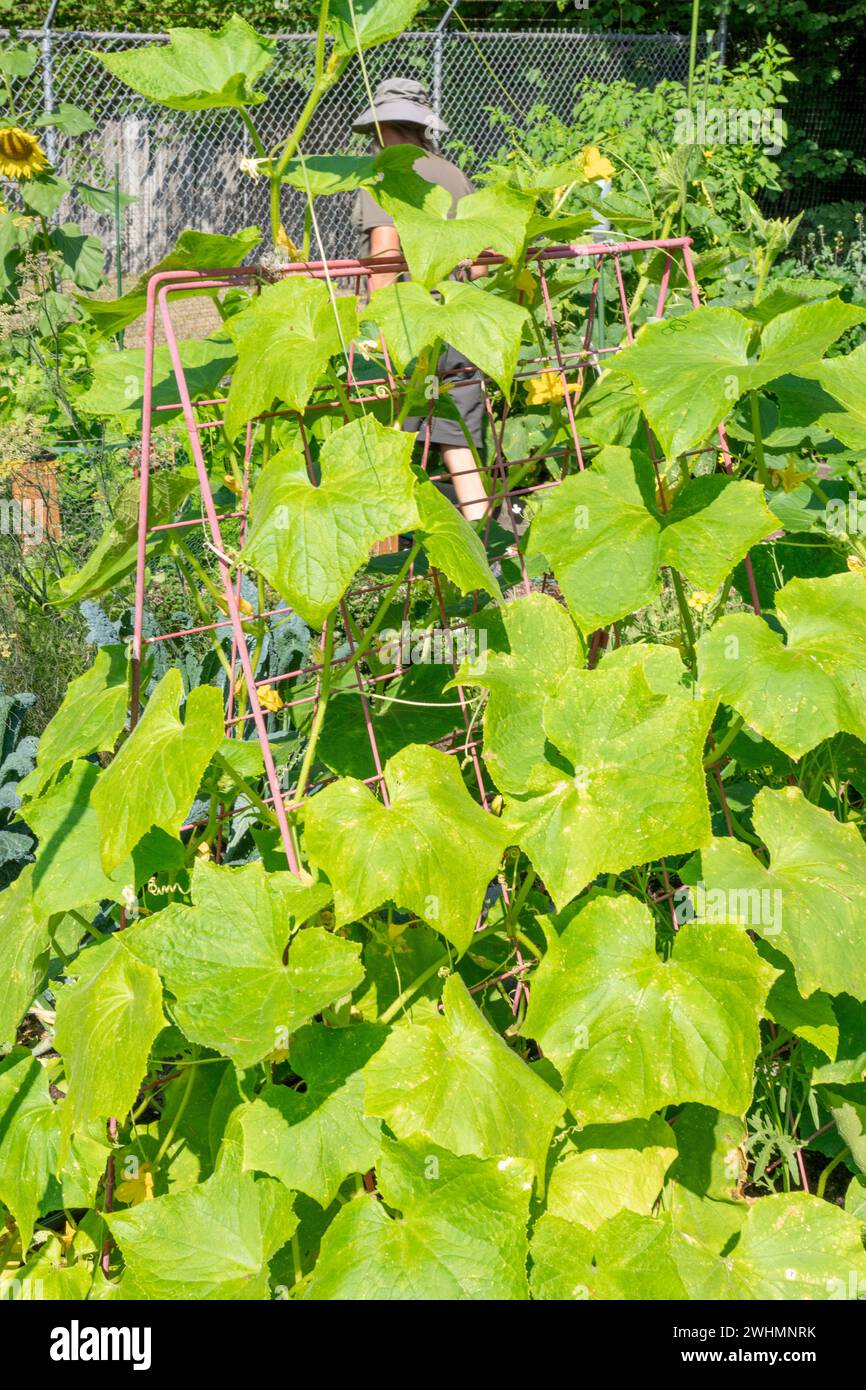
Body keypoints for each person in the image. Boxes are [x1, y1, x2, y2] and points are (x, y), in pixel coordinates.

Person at [350, 78, 489, 522]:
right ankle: (484, 538)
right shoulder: (452, 174)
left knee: (393, 435)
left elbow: (386, 261)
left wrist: (380, 334)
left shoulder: (388, 174)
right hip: (460, 319)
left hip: (410, 324)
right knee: (456, 436)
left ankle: (388, 542)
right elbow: (481, 264)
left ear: (381, 129)